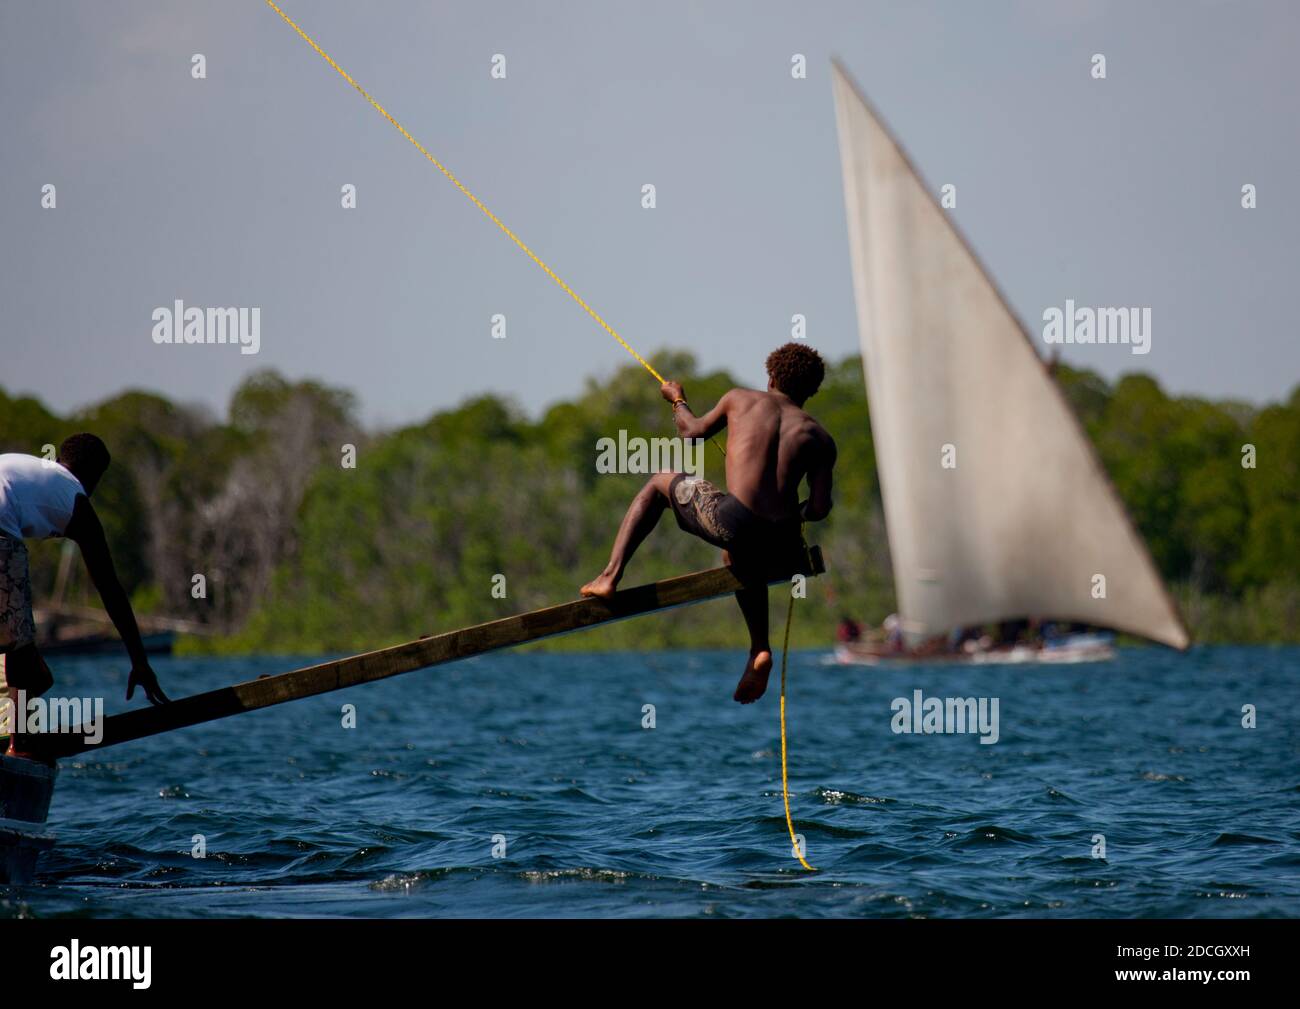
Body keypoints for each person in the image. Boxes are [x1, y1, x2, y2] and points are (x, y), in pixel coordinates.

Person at [581, 343, 836, 703]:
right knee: (738, 556)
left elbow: (691, 434)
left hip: (734, 521)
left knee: (660, 481)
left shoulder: (740, 399)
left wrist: (677, 400)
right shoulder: (820, 437)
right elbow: (821, 507)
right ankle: (758, 650)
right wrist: (799, 511)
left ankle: (609, 576)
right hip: (781, 539)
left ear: (771, 377)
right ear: (811, 391)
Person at [0, 435, 170, 758]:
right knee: (21, 653)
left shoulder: (38, 473)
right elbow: (110, 589)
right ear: (93, 476)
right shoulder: (75, 499)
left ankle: (17, 728)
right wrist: (140, 662)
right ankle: (20, 746)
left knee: (20, 654)